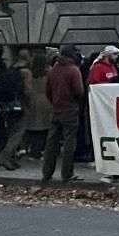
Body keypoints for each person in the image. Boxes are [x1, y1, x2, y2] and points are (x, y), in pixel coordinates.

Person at [0, 51, 51, 170]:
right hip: (21, 105)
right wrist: (30, 104)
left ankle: (11, 158)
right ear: (27, 57)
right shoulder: (26, 72)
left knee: (12, 131)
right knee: (19, 132)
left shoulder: (11, 69)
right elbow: (27, 90)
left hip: (9, 104)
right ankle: (5, 156)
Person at [41, 45, 85, 185]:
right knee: (69, 143)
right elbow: (79, 91)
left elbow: (48, 92)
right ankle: (67, 173)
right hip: (70, 109)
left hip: (56, 109)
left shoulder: (53, 70)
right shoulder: (74, 70)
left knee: (51, 143)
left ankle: (47, 173)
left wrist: (55, 102)